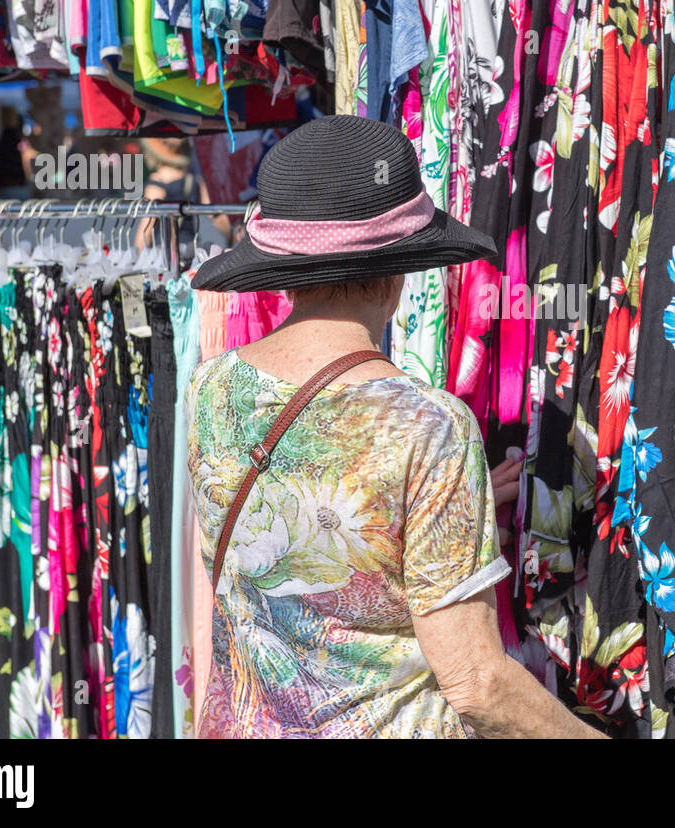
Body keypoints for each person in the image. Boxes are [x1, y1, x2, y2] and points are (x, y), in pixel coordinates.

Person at [185, 116, 602, 739]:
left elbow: (216, 590)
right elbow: (477, 684)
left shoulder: (211, 388)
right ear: (398, 271)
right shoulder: (429, 427)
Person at [135, 136, 233, 266]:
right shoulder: (194, 180)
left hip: (165, 254)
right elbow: (214, 215)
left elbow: (146, 228)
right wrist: (232, 236)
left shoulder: (157, 182)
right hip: (191, 251)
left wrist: (137, 260)